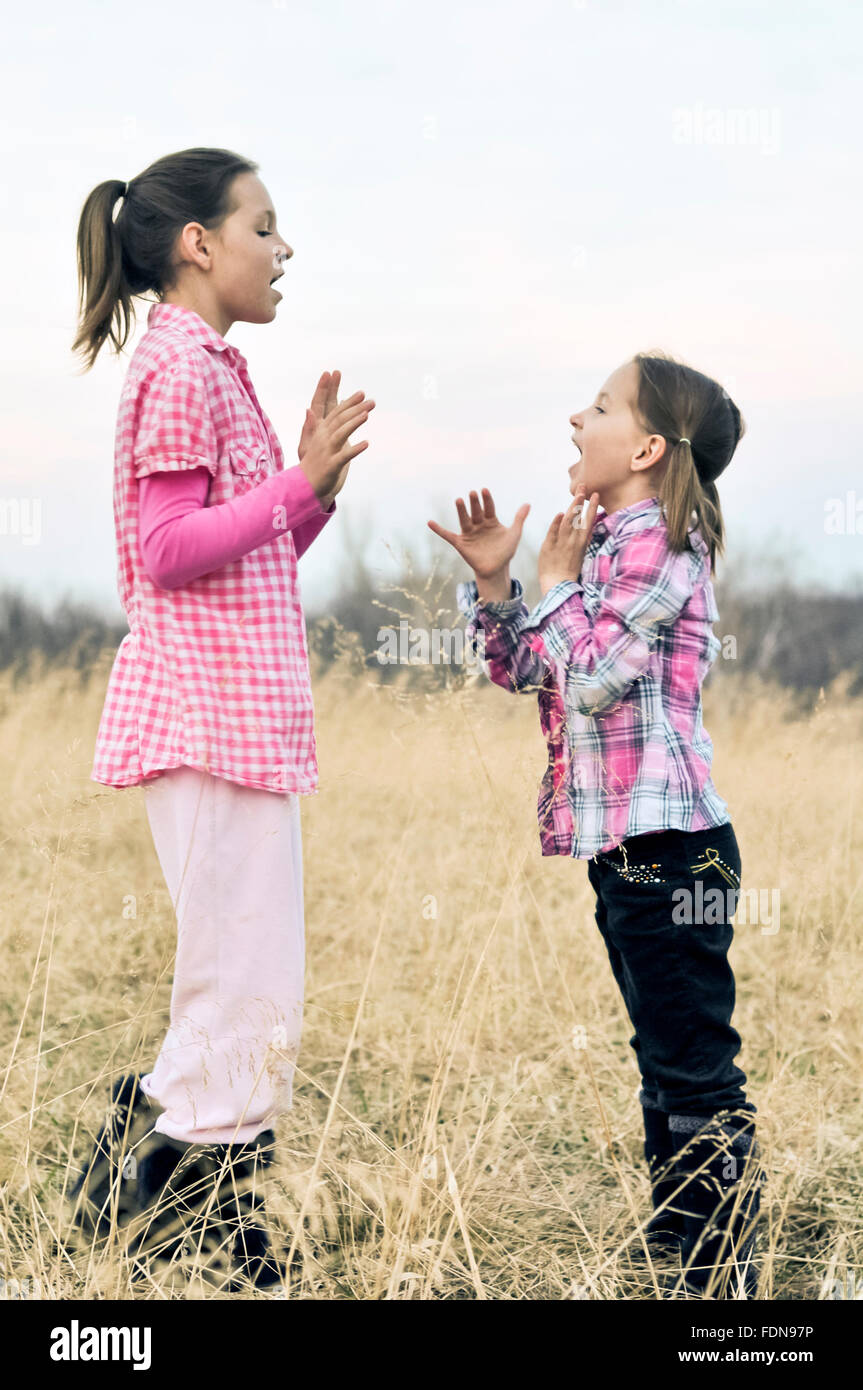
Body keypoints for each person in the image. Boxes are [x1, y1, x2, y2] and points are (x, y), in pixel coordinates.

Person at [68, 147, 374, 1289]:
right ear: (199, 243)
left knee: (252, 977)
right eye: (263, 225)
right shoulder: (182, 364)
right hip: (201, 720)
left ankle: (156, 1173)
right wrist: (293, 484)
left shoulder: (213, 366)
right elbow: (162, 552)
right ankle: (191, 1207)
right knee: (239, 981)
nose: (282, 248)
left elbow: (246, 557)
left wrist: (312, 491)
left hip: (235, 720)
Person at [428, 351, 764, 1298]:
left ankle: (720, 1278)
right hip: (627, 851)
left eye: (600, 406)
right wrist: (502, 588)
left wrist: (556, 579)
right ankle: (683, 1248)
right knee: (660, 1048)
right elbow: (525, 668)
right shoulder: (606, 549)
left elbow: (591, 679)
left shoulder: (664, 547)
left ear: (648, 447)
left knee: (692, 1063)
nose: (576, 419)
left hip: (674, 850)